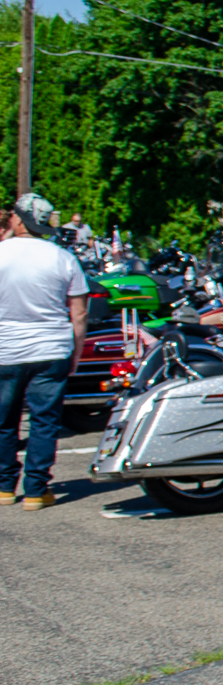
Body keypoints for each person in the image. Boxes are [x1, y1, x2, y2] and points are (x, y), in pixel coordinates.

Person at [0, 194, 88, 510]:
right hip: (51, 348)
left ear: (19, 220)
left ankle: (4, 487)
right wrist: (76, 353)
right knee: (44, 420)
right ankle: (36, 490)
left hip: (5, 350)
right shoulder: (62, 258)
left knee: (4, 420)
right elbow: (78, 313)